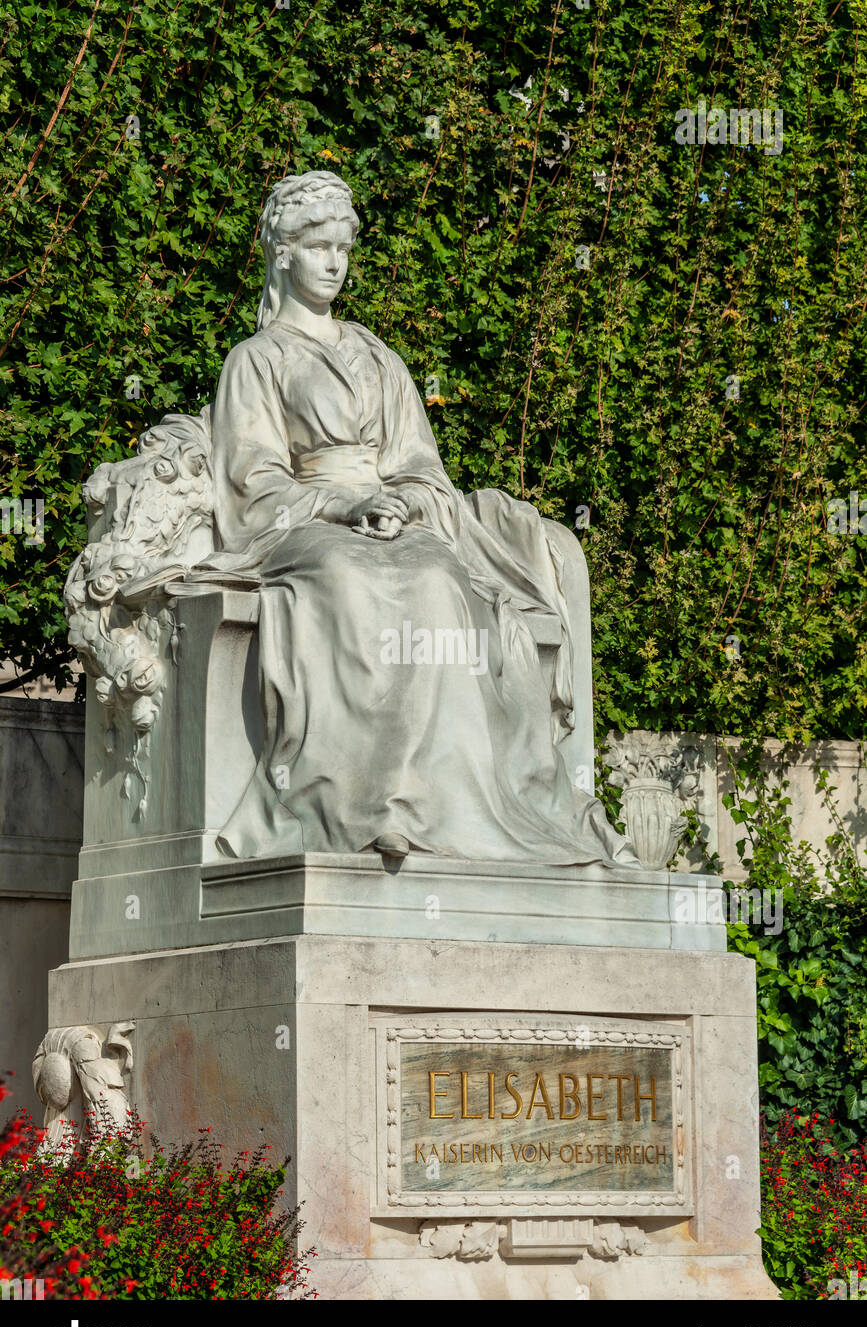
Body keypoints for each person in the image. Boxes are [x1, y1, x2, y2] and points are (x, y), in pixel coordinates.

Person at [202, 170, 636, 867]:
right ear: (282, 253)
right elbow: (252, 480)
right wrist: (344, 503)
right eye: (317, 246)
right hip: (305, 524)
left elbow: (419, 463)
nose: (335, 262)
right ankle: (359, 804)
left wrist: (400, 500)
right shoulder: (254, 361)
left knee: (439, 579)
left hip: (398, 522)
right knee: (343, 577)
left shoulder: (378, 357)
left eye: (343, 247)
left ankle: (438, 803)